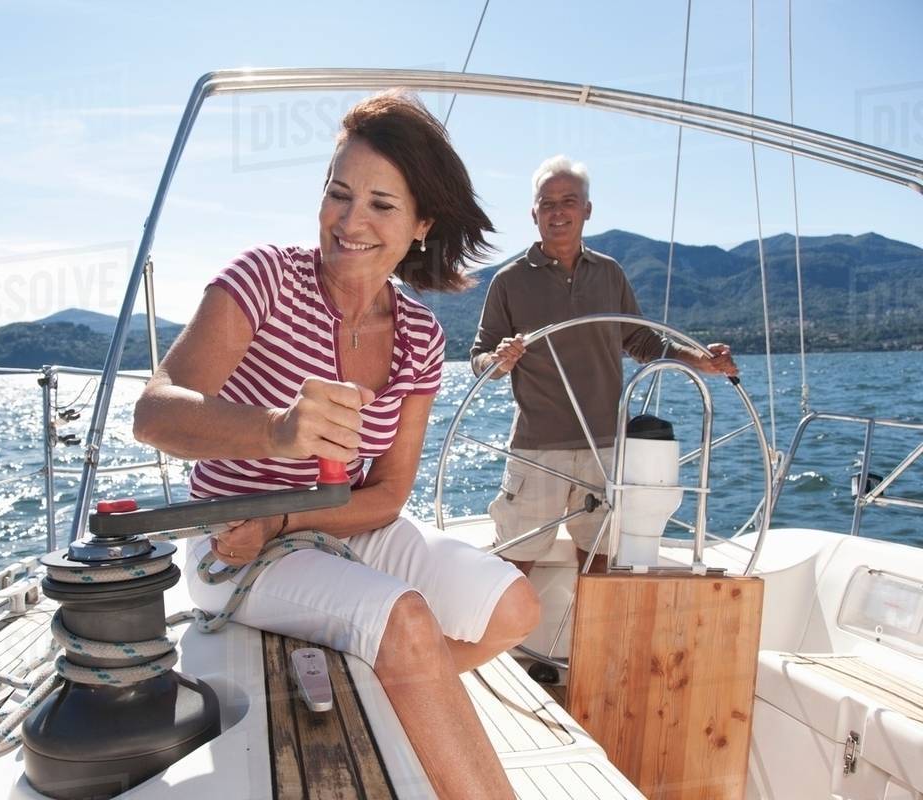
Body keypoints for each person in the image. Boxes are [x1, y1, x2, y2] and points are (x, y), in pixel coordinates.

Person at [133, 91, 538, 799]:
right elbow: (153, 414)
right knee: (405, 619)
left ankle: (399, 677)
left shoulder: (419, 336)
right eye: (338, 193)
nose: (350, 222)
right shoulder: (263, 280)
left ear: (421, 225)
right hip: (232, 542)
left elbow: (386, 496)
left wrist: (290, 518)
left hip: (334, 527)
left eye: (382, 205)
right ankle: (409, 675)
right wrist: (274, 431)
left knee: (515, 608)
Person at [470, 155, 738, 576]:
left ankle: (589, 645)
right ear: (534, 213)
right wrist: (499, 359)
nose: (558, 212)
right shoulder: (509, 280)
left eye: (568, 201)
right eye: (547, 203)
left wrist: (700, 361)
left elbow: (642, 341)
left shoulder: (609, 273)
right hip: (537, 447)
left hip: (606, 448)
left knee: (600, 565)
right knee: (512, 565)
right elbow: (479, 358)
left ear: (587, 209)